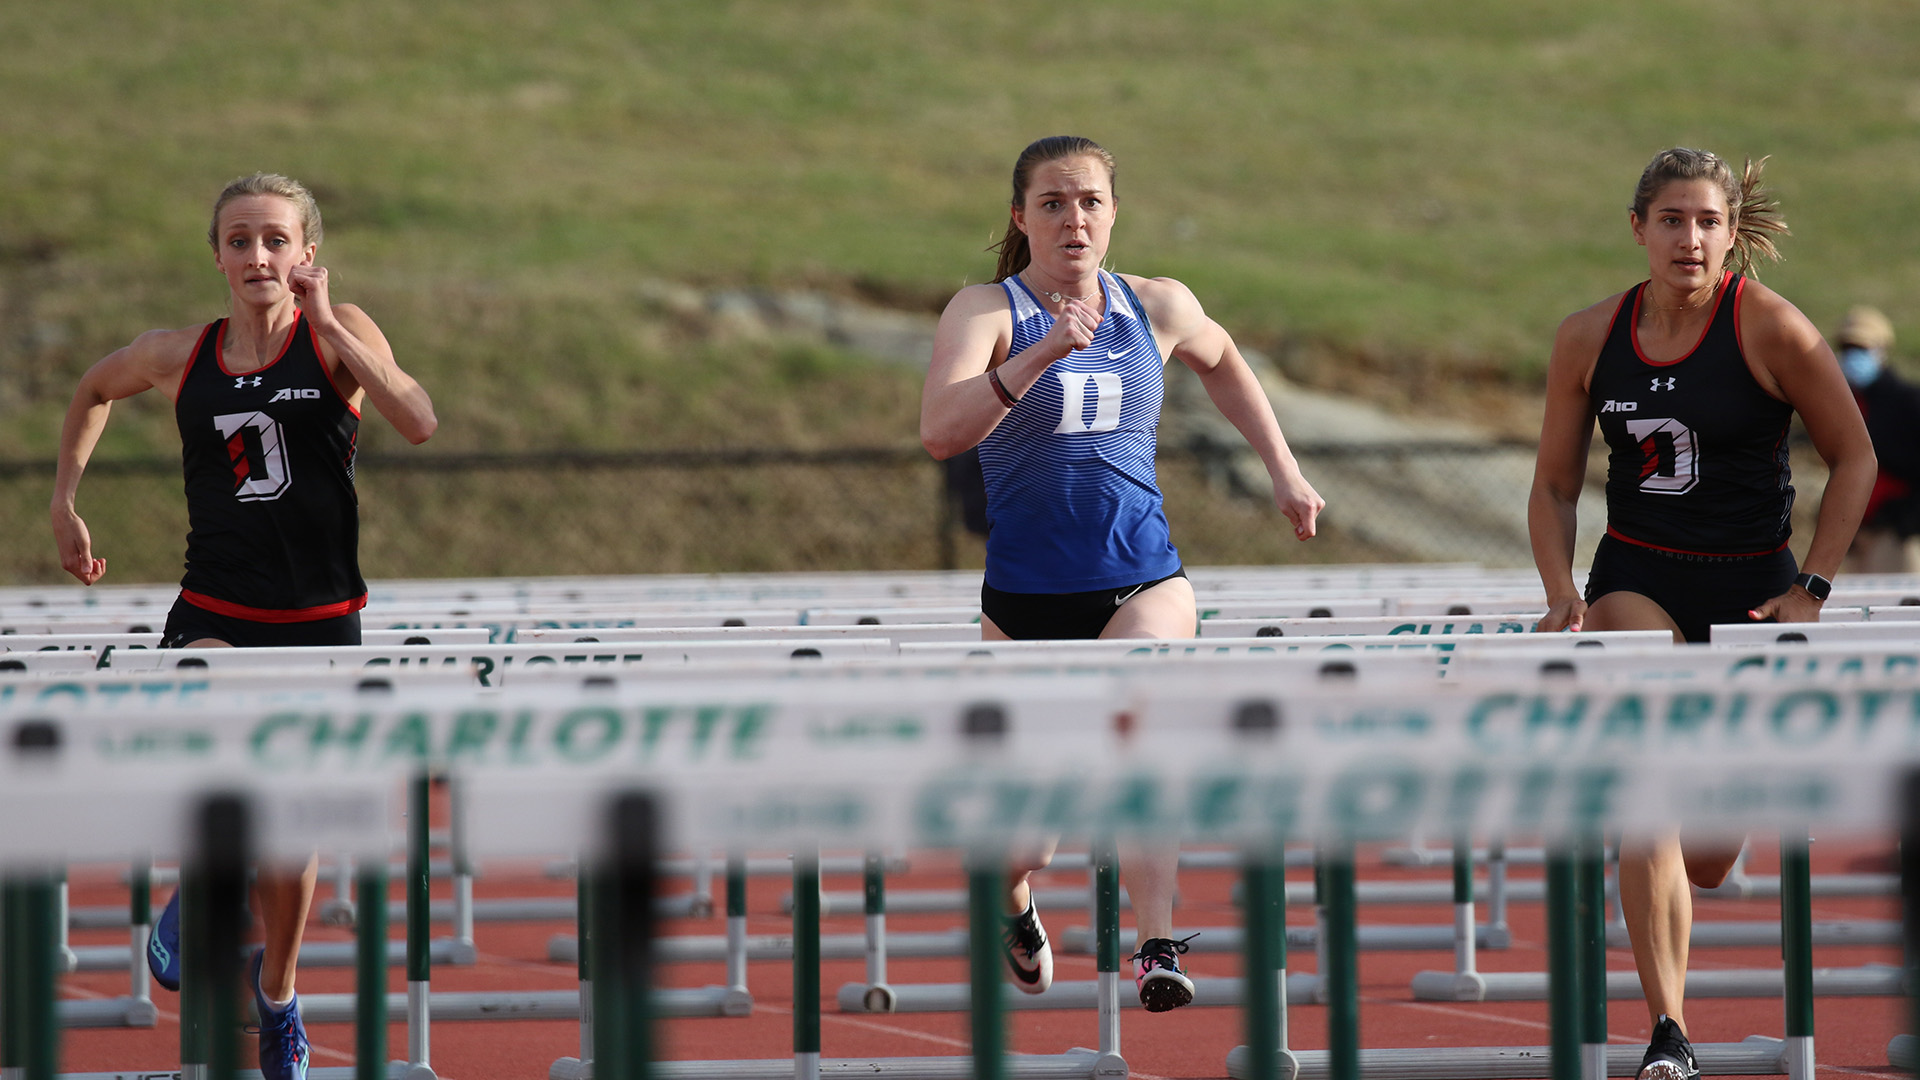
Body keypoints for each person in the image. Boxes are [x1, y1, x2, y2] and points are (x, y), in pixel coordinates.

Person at [920, 135, 1325, 1011]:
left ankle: (1155, 940)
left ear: (1114, 213)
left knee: (1141, 725)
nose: (1075, 218)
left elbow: (1224, 364)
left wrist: (1284, 472)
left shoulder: (1158, 304)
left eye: (1091, 201)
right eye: (1055, 203)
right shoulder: (987, 311)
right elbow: (941, 430)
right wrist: (1040, 355)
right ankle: (1016, 902)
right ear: (1021, 217)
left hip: (1142, 576)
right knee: (1023, 840)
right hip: (1025, 600)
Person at [51, 172, 437, 1080]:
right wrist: (66, 502)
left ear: (305, 253)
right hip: (216, 610)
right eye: (238, 239)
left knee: (291, 838)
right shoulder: (178, 353)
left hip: (319, 619)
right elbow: (92, 389)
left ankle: (279, 995)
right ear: (217, 254)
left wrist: (333, 323)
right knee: (212, 740)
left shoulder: (340, 336)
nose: (257, 256)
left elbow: (417, 419)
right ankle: (207, 874)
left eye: (275, 239)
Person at [1528, 148, 1874, 1080]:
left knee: (1709, 854)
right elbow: (1556, 483)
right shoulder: (1589, 336)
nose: (1691, 238)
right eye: (1672, 220)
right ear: (1638, 228)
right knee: (1647, 795)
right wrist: (1563, 590)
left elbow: (1856, 460)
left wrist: (1814, 588)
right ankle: (1668, 1032)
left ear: (1731, 231)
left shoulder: (1770, 327)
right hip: (1635, 580)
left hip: (1750, 595)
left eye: (1708, 222)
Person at [1832, 306, 1920, 572]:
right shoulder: (1842, 403)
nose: (1853, 356)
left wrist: (1903, 520)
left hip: (1899, 535)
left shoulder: (1908, 402)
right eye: (1847, 348)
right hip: (1856, 536)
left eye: (1862, 348)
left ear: (1882, 350)